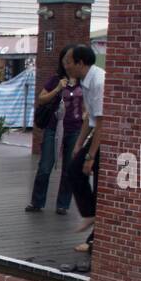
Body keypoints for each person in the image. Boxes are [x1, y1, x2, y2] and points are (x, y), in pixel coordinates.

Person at [62, 43, 106, 253]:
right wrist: (79, 144)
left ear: (80, 63)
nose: (66, 67)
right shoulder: (85, 81)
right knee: (73, 169)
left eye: (68, 62)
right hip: (98, 133)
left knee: (99, 187)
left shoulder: (98, 81)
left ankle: (94, 236)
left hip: (108, 137)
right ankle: (90, 216)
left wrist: (90, 156)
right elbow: (90, 120)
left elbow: (103, 123)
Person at [26, 45, 79, 215]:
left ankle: (63, 204)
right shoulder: (56, 79)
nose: (67, 64)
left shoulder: (83, 81)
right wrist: (57, 89)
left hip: (75, 129)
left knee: (69, 168)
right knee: (45, 166)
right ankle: (37, 202)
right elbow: (41, 99)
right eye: (65, 61)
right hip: (53, 128)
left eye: (70, 61)